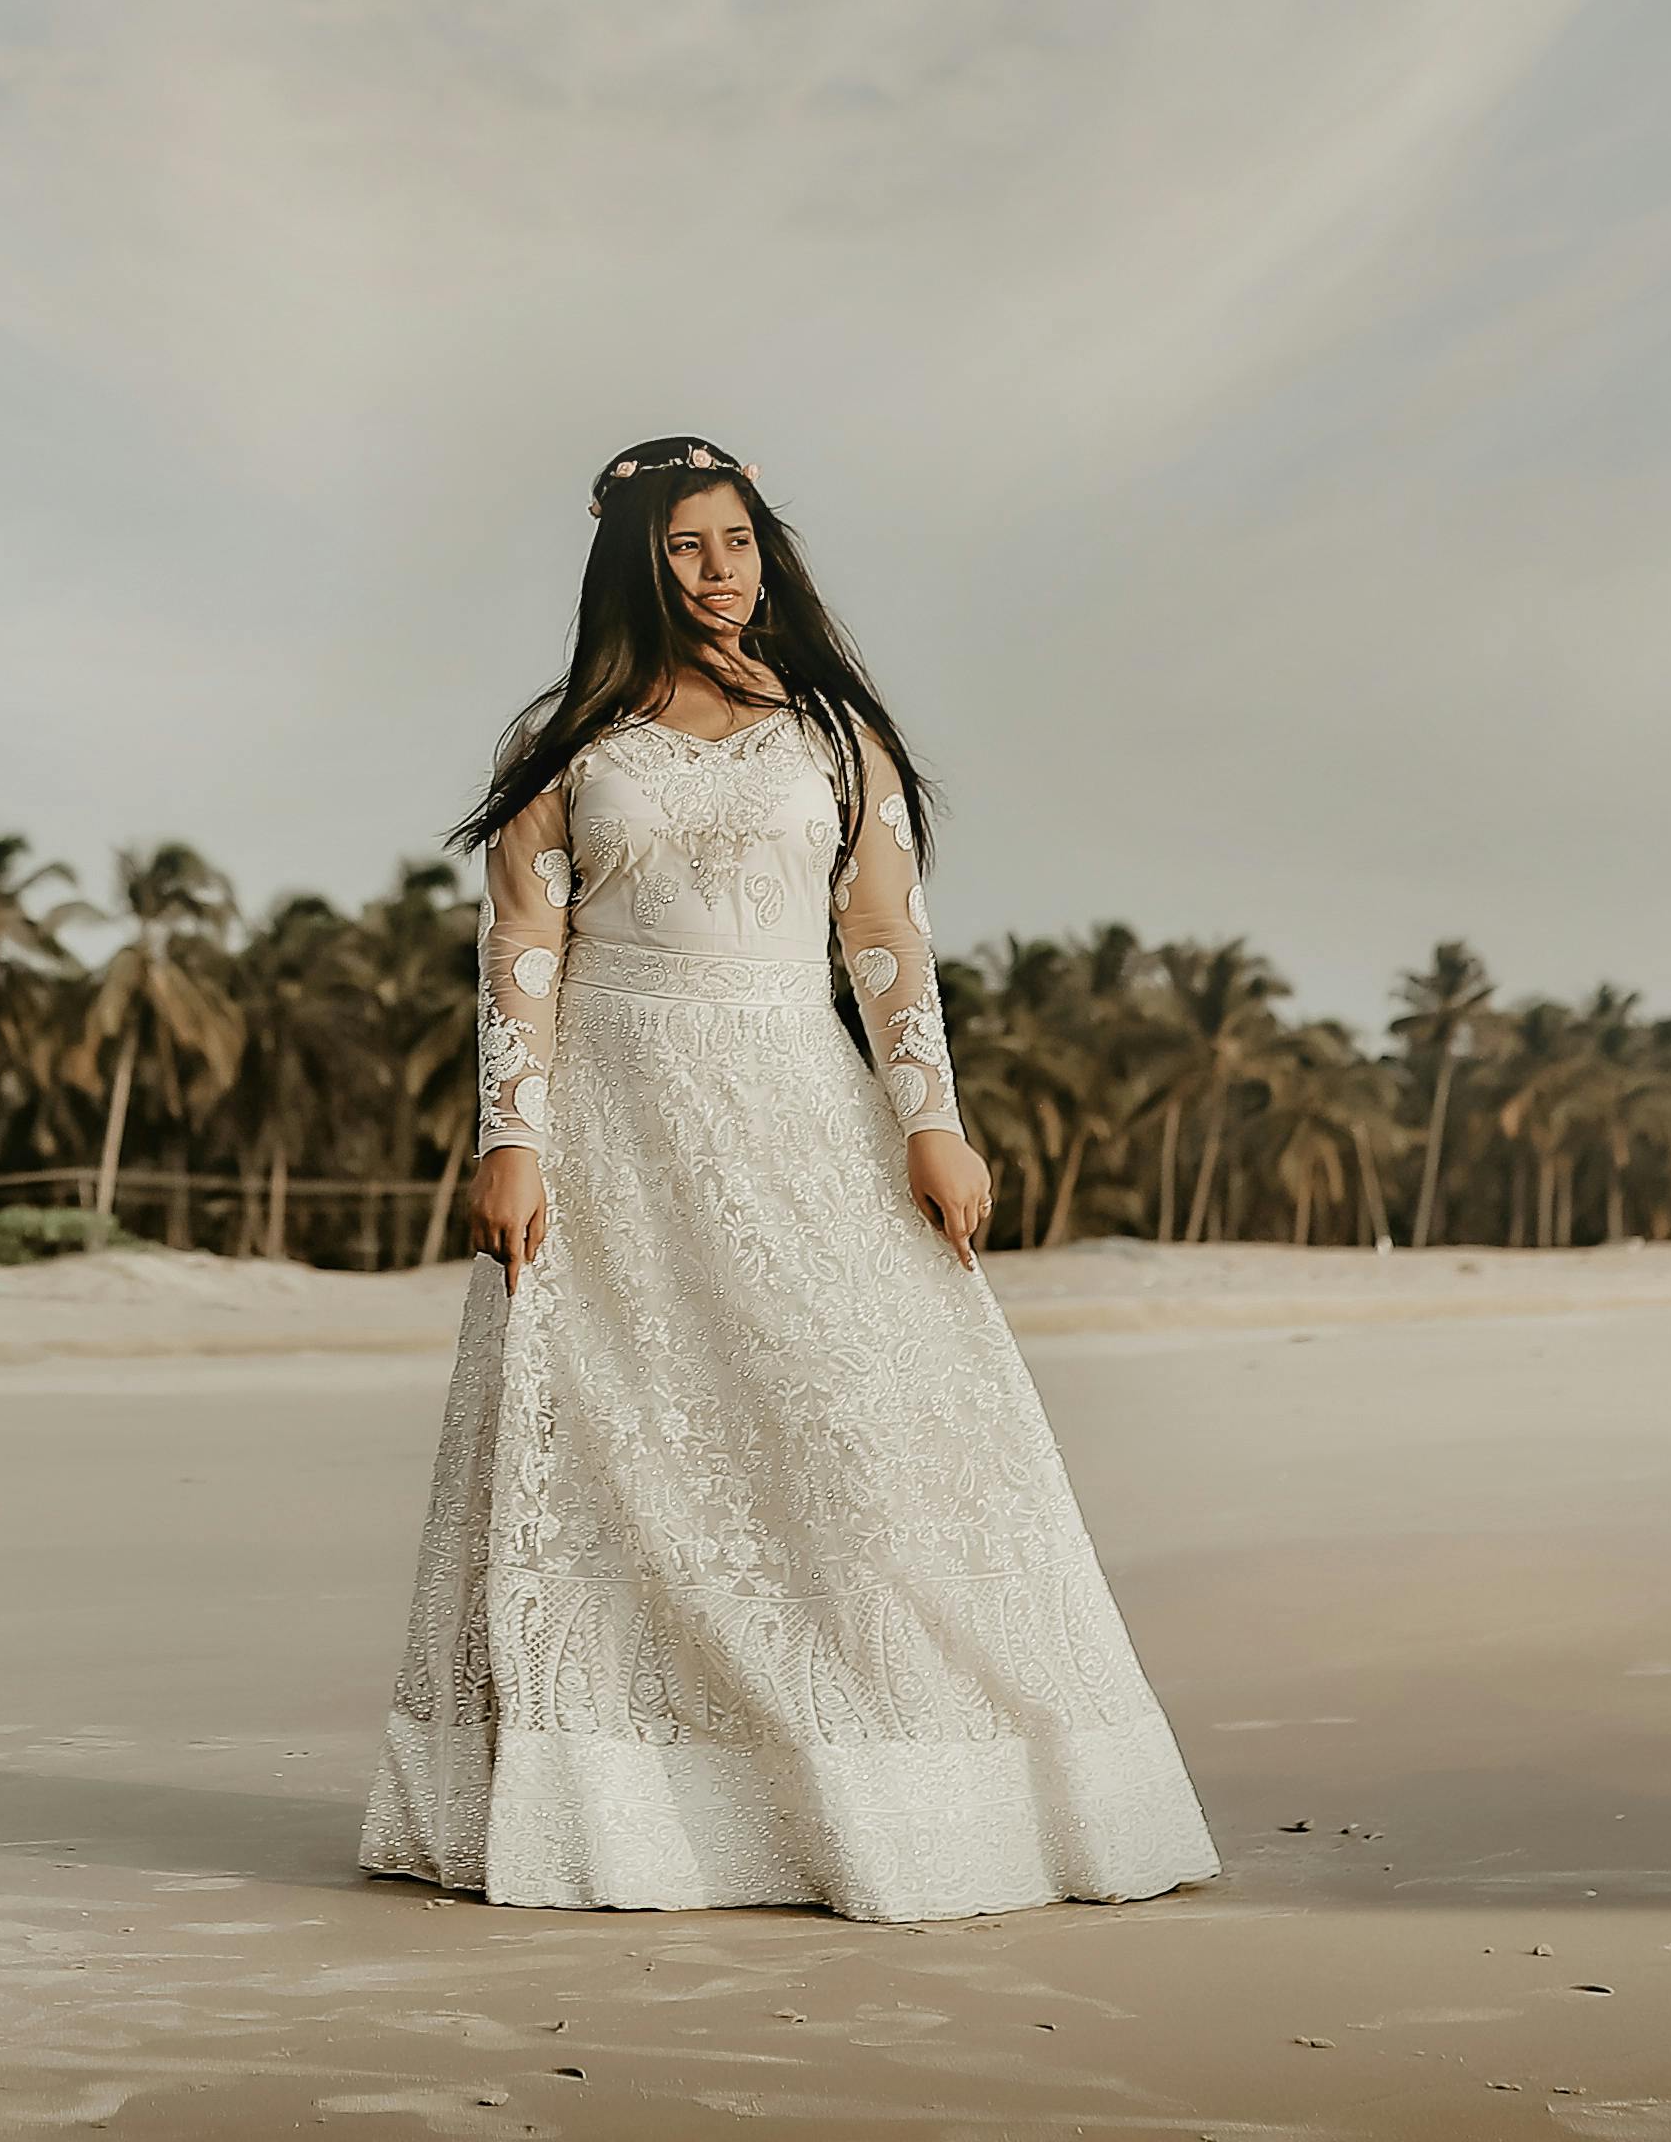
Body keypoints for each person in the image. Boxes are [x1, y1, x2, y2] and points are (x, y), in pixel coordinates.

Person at [360, 436, 1221, 1922]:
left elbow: (884, 934)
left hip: (792, 1099)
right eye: (687, 547)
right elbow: (522, 952)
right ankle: (641, 1812)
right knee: (622, 1458)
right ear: (635, 564)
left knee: (858, 1425)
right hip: (614, 1126)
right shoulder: (566, 746)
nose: (718, 572)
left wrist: (929, 1120)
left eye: (738, 542)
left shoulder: (831, 734)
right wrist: (513, 1137)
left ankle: (924, 1785)